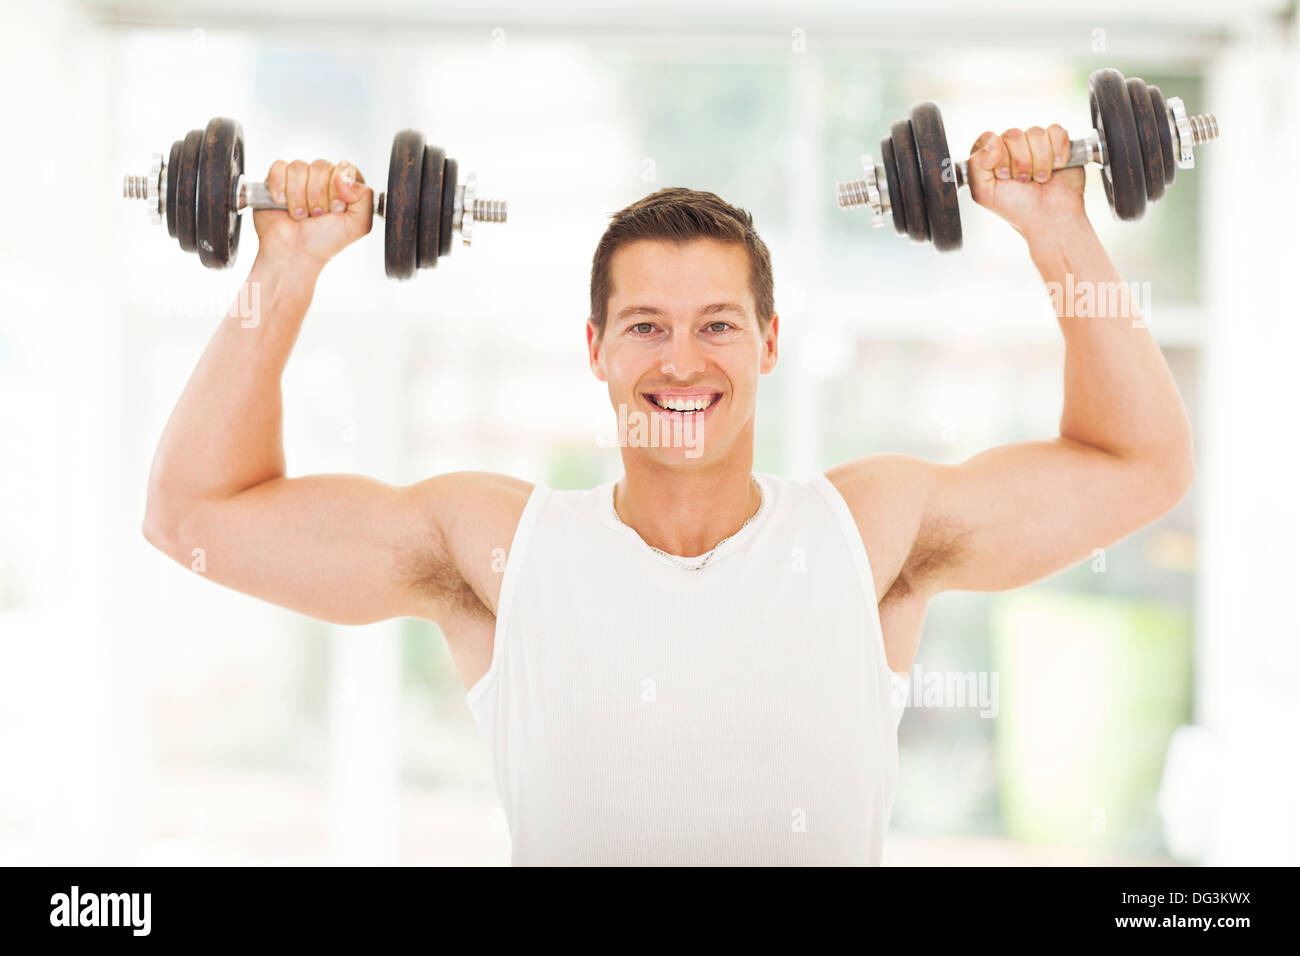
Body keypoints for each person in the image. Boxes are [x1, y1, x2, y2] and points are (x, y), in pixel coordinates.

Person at [142, 124, 1195, 865]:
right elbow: (196, 517)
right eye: (645, 324)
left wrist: (1058, 226)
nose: (681, 362)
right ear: (595, 350)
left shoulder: (863, 535)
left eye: (718, 324)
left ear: (769, 342)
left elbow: (1137, 466)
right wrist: (285, 265)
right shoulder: (502, 549)